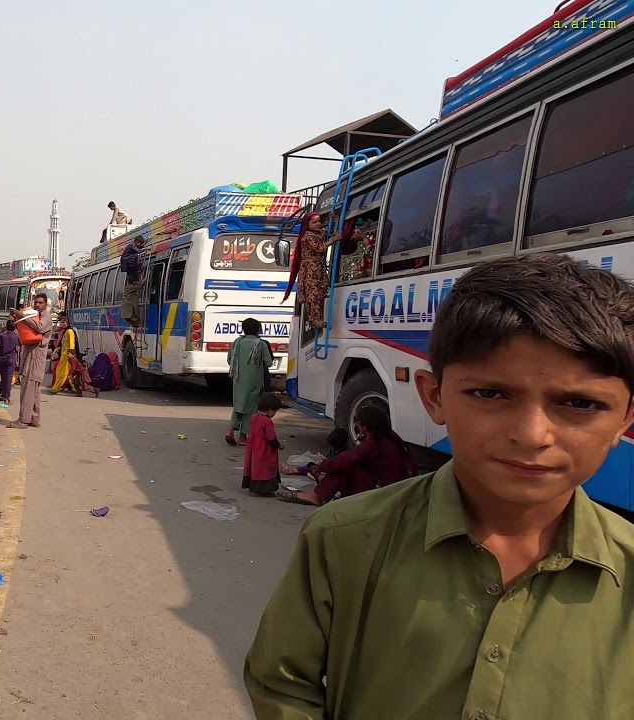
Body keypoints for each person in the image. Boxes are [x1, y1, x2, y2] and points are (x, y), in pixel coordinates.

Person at [245, 253, 634, 719]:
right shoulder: (342, 539)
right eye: (490, 394)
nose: (532, 435)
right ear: (434, 396)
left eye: (579, 403)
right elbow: (282, 686)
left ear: (625, 420)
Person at [277, 406, 416, 506]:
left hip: (383, 490)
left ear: (365, 427)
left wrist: (323, 466)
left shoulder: (373, 444)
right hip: (393, 486)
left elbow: (347, 459)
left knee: (342, 466)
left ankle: (316, 496)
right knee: (343, 464)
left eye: (359, 424)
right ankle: (322, 494)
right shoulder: (390, 437)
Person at [225, 318, 273, 446]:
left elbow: (230, 359)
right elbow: (269, 363)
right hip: (255, 381)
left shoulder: (237, 342)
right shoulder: (261, 344)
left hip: (238, 379)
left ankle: (230, 430)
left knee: (239, 405)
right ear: (258, 330)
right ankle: (242, 436)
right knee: (251, 408)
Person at [281, 212, 329, 332]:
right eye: (314, 222)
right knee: (313, 294)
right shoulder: (308, 235)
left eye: (319, 221)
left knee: (322, 290)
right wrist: (333, 240)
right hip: (310, 269)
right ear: (307, 225)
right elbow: (320, 248)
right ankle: (314, 320)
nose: (318, 224)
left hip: (319, 268)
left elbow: (326, 232)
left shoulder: (319, 233)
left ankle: (318, 317)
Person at [10, 293, 52, 429]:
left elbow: (39, 328)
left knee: (28, 389)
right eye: (36, 302)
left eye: (40, 303)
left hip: (36, 356)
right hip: (31, 354)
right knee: (33, 390)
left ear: (45, 304)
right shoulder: (36, 315)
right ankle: (34, 418)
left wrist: (23, 316)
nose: (37, 305)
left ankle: (23, 420)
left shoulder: (46, 317)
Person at [241, 395, 284, 495]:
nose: (274, 414)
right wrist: (279, 445)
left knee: (255, 467)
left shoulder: (254, 417)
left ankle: (254, 486)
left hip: (253, 447)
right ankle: (265, 489)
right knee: (265, 468)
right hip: (264, 449)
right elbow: (271, 437)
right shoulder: (267, 421)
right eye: (275, 411)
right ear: (270, 409)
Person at [119, 235, 147, 328]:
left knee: (135, 266)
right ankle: (140, 268)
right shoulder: (131, 246)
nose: (139, 245)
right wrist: (144, 280)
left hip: (128, 264)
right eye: (139, 243)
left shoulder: (129, 286)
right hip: (127, 262)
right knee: (135, 258)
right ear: (135, 241)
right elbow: (139, 251)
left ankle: (139, 268)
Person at [0, 319, 19, 404]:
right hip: (11, 360)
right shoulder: (16, 337)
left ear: (6, 327)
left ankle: (4, 395)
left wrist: (1, 331)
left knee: (3, 378)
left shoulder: (1, 336)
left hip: (2, 359)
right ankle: (6, 397)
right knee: (8, 379)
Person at [48, 314, 79, 394]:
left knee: (61, 372)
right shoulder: (66, 331)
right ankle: (75, 389)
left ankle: (55, 388)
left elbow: (72, 344)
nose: (62, 324)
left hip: (67, 356)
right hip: (64, 355)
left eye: (64, 322)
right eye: (61, 322)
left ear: (68, 323)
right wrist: (55, 352)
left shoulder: (70, 331)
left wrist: (71, 354)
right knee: (68, 373)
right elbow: (61, 345)